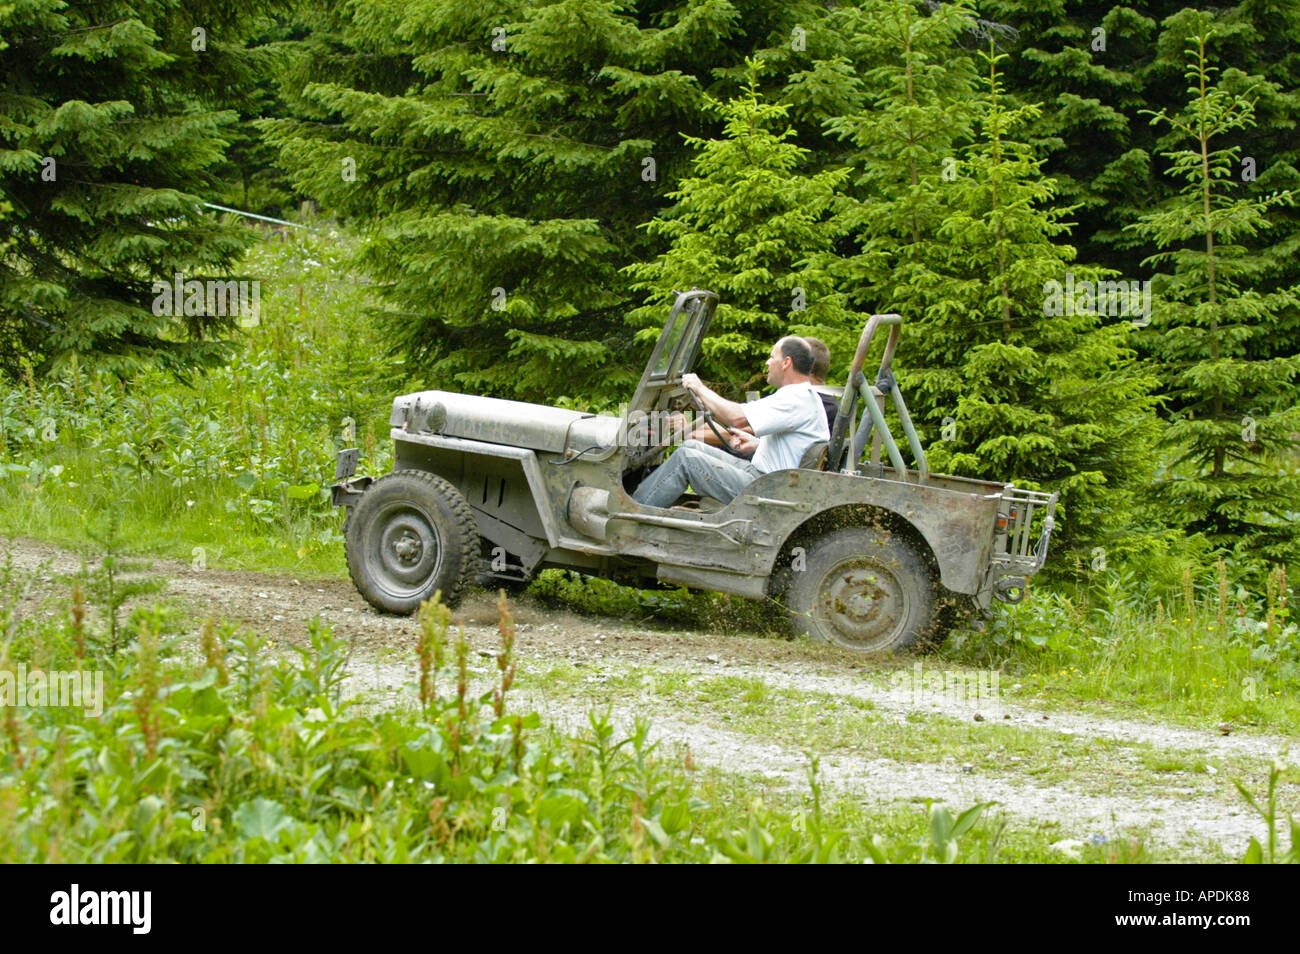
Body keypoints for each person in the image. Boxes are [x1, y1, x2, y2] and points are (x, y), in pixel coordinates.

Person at [631, 336, 829, 508]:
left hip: (768, 488)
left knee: (686, 459)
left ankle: (631, 513)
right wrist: (758, 444)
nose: (768, 363)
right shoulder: (801, 396)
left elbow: (737, 417)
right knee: (691, 445)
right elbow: (794, 447)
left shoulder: (796, 399)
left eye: (772, 356)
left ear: (786, 362)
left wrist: (698, 387)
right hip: (769, 478)